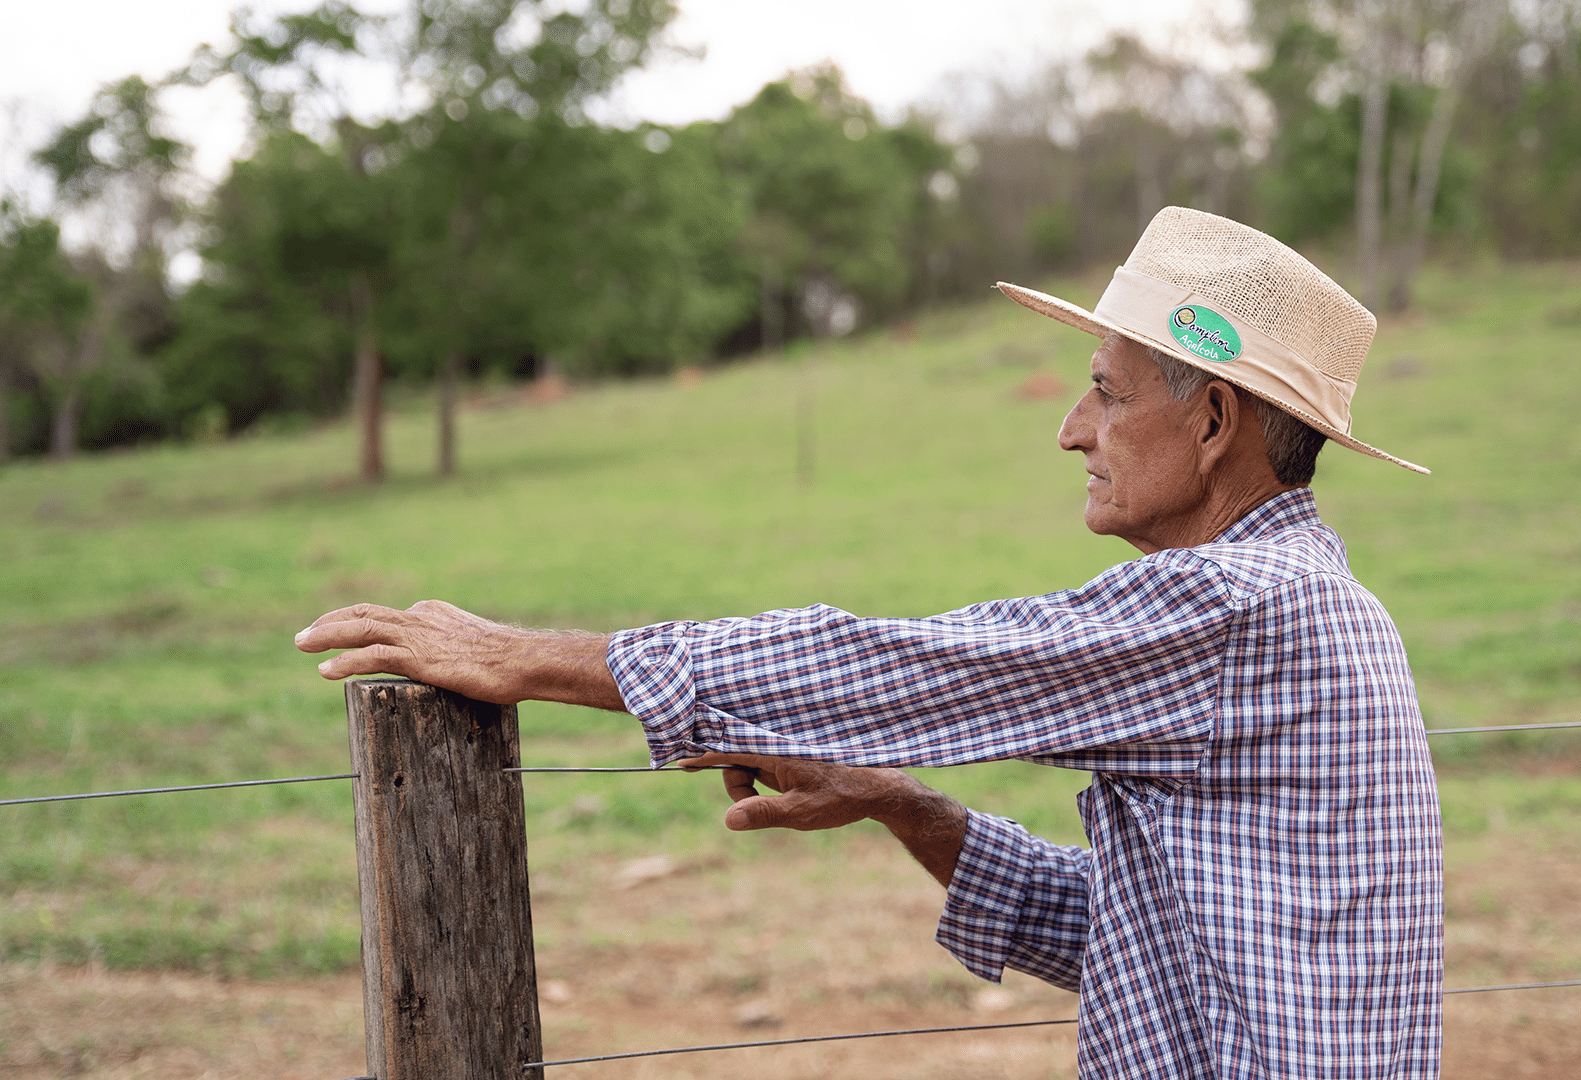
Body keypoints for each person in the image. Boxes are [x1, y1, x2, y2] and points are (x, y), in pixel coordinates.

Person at [297, 206, 1444, 1079]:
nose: (1070, 430)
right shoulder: (1306, 599)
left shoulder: (1239, 609)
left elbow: (898, 667)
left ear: (1210, 422)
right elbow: (1141, 942)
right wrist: (906, 804)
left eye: (1104, 392)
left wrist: (522, 661)